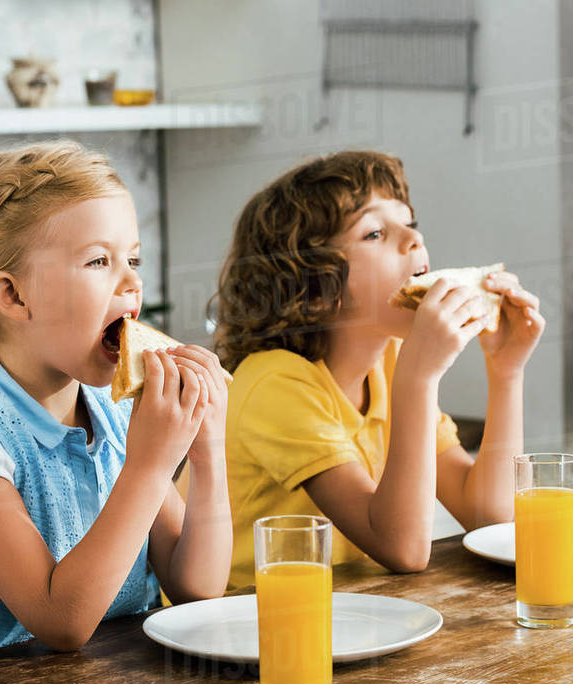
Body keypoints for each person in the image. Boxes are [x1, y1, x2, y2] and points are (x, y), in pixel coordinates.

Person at [0, 141, 232, 667]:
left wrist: (207, 450)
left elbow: (197, 589)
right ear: (14, 296)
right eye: (99, 261)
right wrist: (149, 465)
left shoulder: (119, 410)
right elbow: (61, 621)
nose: (133, 281)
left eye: (133, 258)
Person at [213, 150, 545, 588]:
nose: (413, 238)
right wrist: (420, 378)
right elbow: (402, 548)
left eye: (411, 223)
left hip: (349, 613)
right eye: (374, 233)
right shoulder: (275, 382)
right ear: (314, 290)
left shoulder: (388, 362)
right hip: (247, 625)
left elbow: (489, 517)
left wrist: (506, 373)